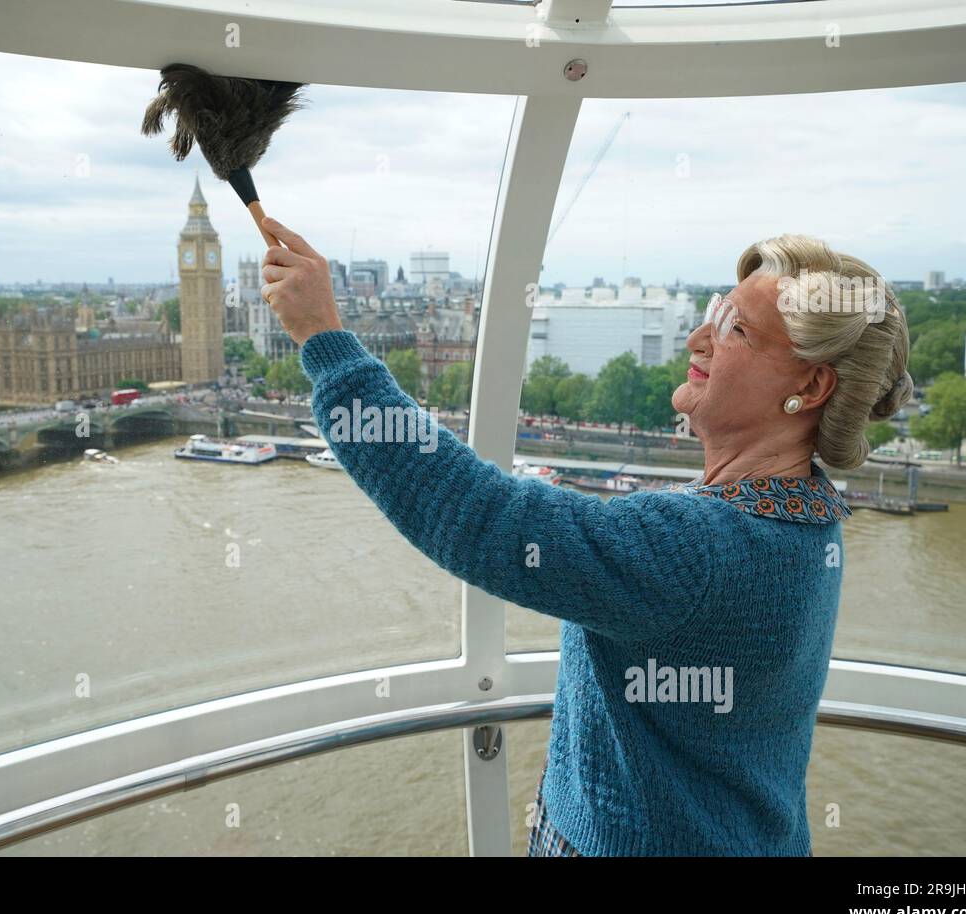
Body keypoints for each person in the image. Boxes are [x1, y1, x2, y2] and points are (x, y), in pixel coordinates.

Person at [260, 219, 911, 857]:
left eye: (736, 329)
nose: (698, 338)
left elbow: (471, 512)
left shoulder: (692, 548)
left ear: (810, 385)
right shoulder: (810, 519)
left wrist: (326, 339)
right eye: (715, 313)